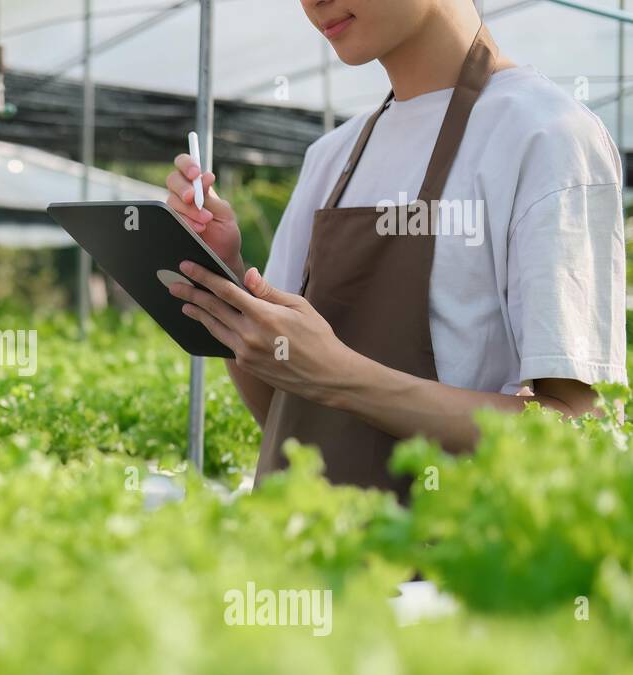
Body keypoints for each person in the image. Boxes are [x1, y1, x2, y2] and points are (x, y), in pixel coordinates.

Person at [164, 0, 627, 494]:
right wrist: (226, 276)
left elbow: (581, 430)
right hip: (301, 557)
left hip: (443, 563)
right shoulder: (330, 156)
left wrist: (340, 375)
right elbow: (283, 413)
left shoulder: (546, 136)